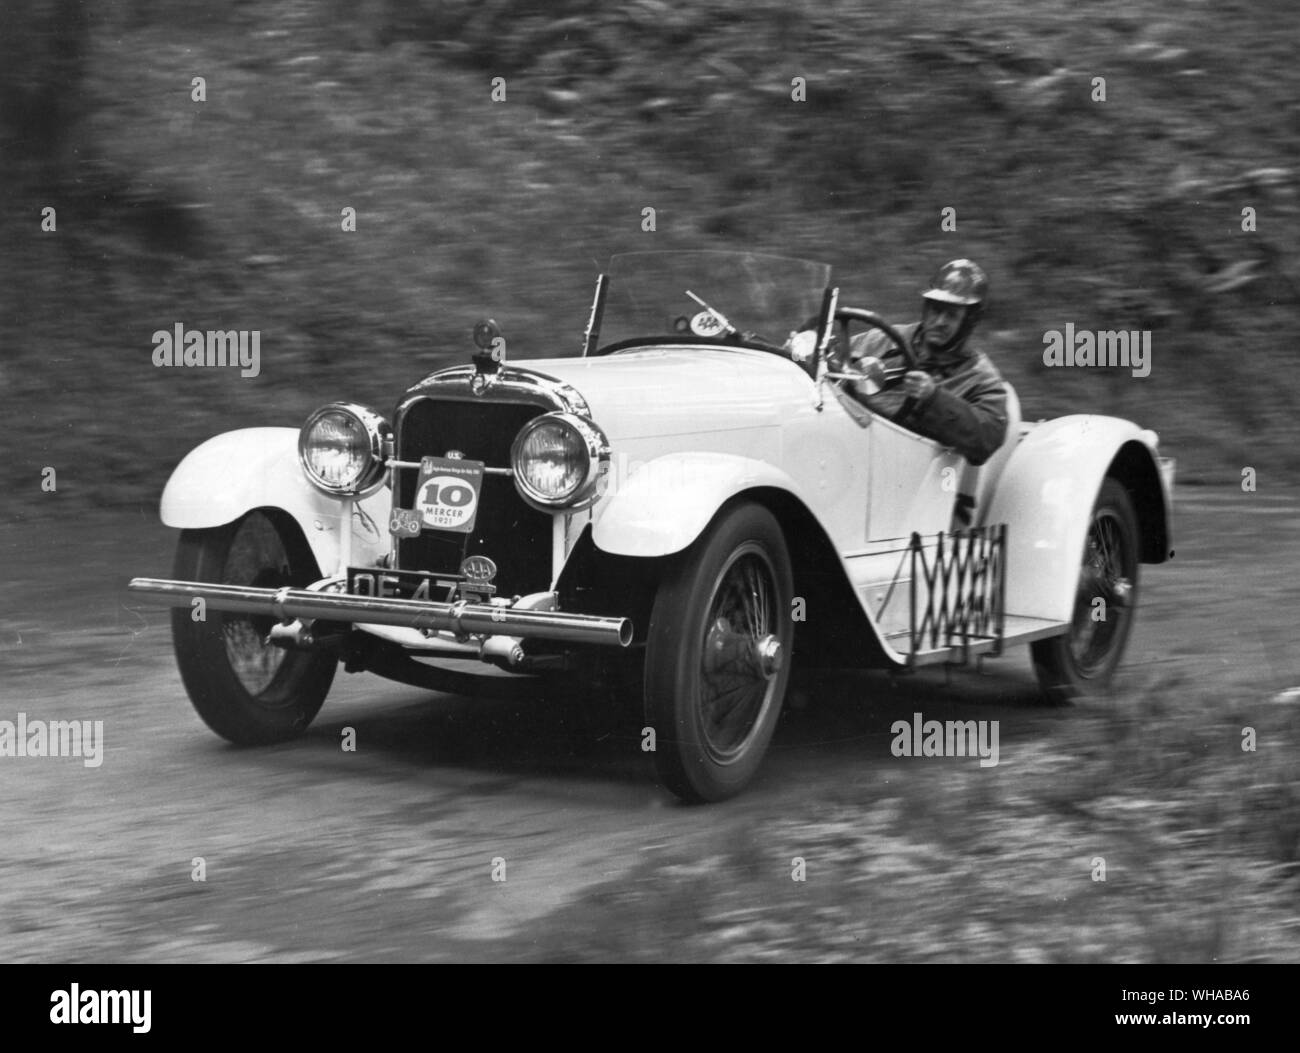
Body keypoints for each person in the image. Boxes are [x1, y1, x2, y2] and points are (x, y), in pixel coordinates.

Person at [847, 259, 1009, 466]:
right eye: (936, 310)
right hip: (854, 443)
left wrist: (934, 398)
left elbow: (987, 439)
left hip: (912, 471)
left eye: (951, 315)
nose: (940, 321)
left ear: (969, 321)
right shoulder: (886, 338)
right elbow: (837, 355)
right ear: (926, 309)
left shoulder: (980, 378)